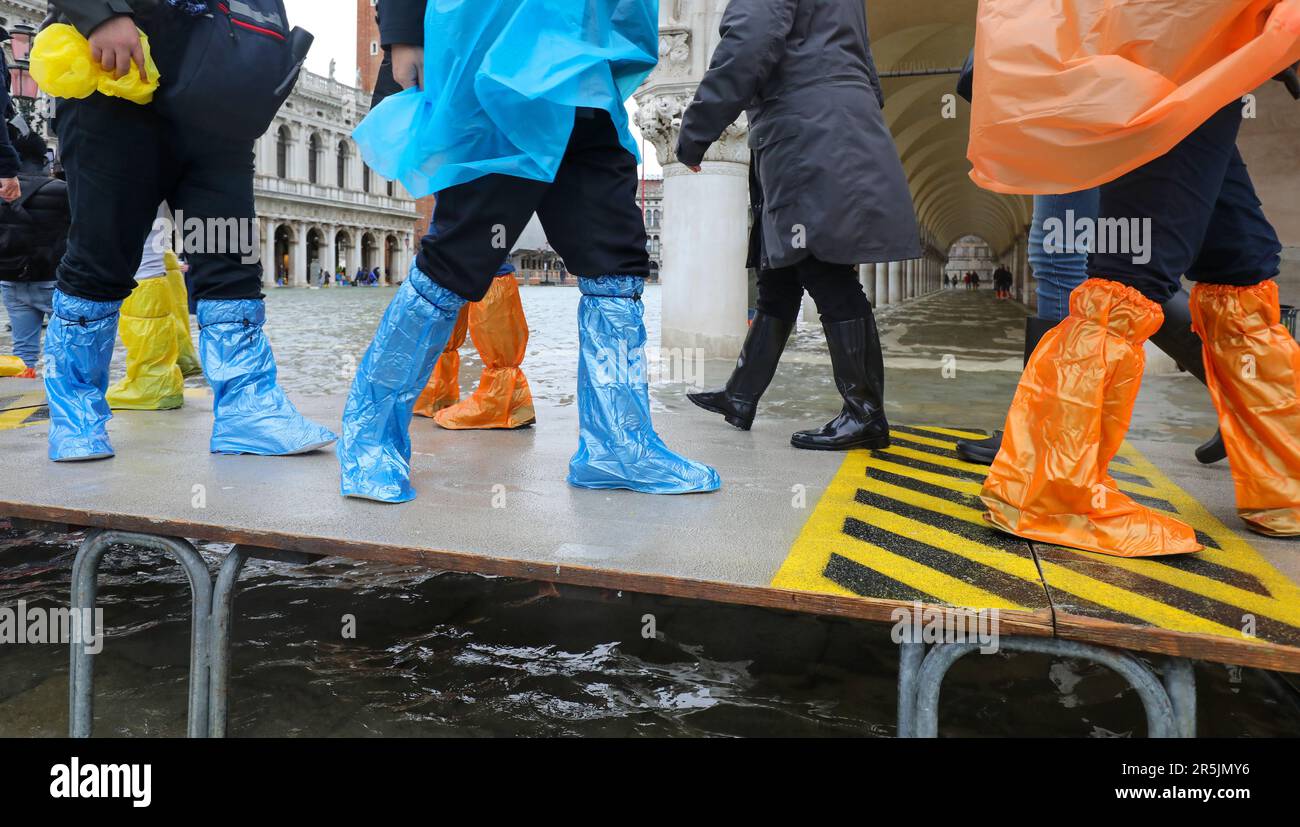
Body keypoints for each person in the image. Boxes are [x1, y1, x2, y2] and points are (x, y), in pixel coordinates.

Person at [340, 0, 719, 502]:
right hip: (498, 57)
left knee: (616, 257)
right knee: (457, 257)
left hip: (587, 72)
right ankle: (370, 441)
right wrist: (404, 30)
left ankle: (618, 444)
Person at [971, 0, 1300, 555]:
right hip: (1172, 50)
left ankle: (1285, 481)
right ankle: (1051, 493)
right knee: (1130, 276)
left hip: (1201, 53)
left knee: (1240, 261)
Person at [40, 1, 335, 461]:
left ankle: (247, 409)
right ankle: (76, 415)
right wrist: (100, 12)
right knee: (101, 257)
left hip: (220, 92)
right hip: (117, 79)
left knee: (228, 257)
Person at [677, 0, 918, 449]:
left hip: (805, 129)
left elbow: (747, 44)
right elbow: (860, 57)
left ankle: (865, 413)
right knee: (780, 271)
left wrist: (694, 133)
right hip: (826, 123)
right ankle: (740, 394)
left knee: (823, 268)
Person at [0, 131, 67, 379]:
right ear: (43, 159)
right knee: (63, 347)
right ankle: (58, 396)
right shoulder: (62, 191)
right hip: (52, 281)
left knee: (23, 352)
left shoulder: (3, 190)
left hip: (11, 280)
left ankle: (19, 401)